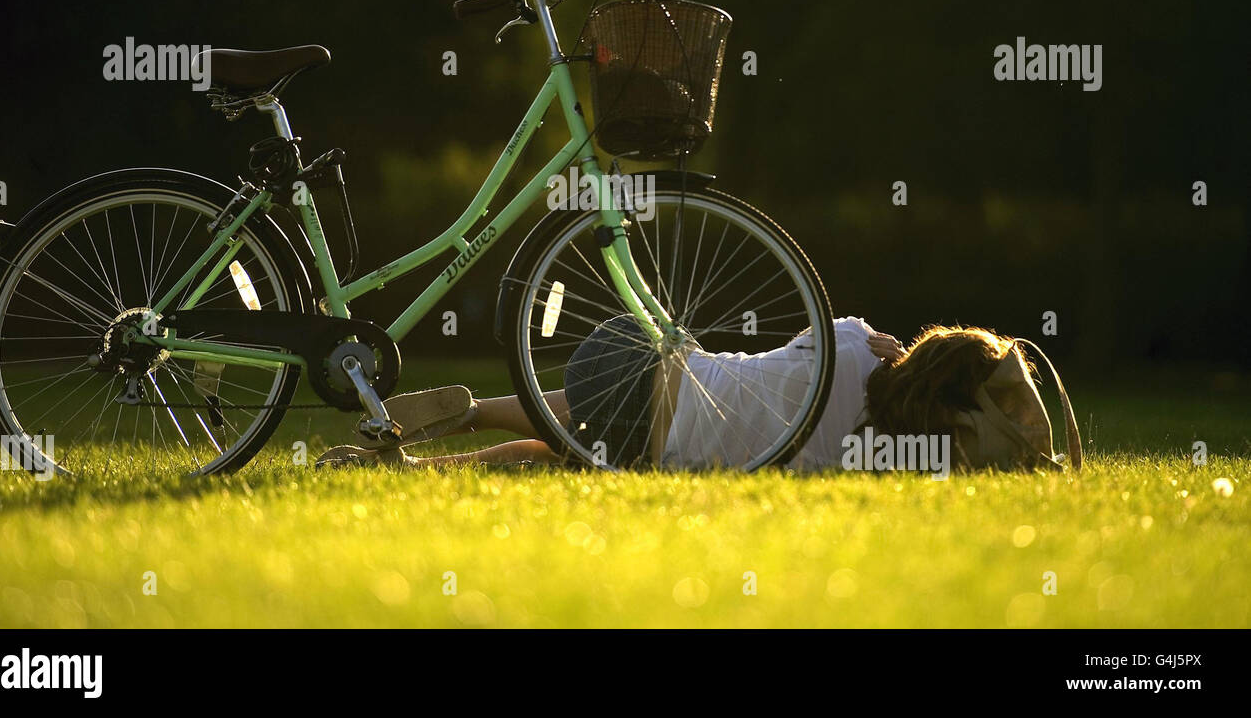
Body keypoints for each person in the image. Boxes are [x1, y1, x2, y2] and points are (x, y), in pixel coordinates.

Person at [316, 315, 1077, 472]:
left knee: (572, 429)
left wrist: (877, 342)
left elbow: (825, 336)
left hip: (638, 356)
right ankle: (422, 468)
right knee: (565, 456)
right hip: (649, 437)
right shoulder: (892, 461)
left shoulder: (848, 340)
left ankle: (467, 410)